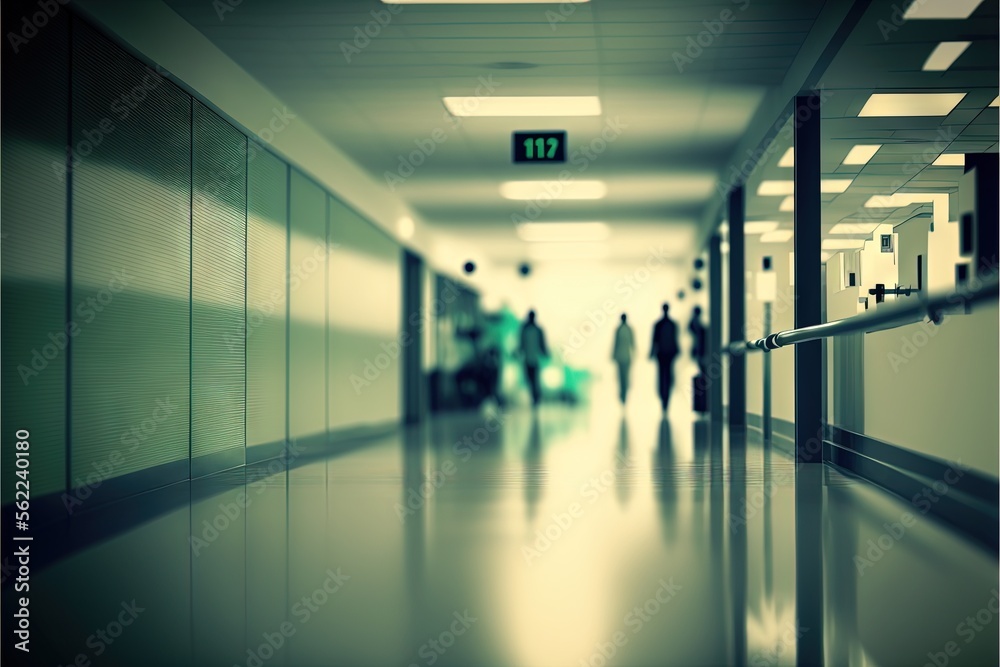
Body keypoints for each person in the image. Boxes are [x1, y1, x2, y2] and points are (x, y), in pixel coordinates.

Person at [650, 303, 679, 415]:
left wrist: (652, 352)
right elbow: (674, 339)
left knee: (662, 376)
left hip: (662, 354)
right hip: (668, 353)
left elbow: (654, 340)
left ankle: (664, 398)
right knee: (668, 376)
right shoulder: (672, 324)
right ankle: (666, 398)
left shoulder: (659, 324)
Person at [519, 310, 548, 408]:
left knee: (534, 380)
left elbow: (542, 344)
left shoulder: (536, 330)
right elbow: (521, 343)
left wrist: (545, 352)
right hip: (528, 359)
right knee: (530, 380)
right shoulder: (526, 330)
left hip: (534, 360)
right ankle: (535, 397)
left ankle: (536, 397)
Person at [612, 313, 635, 405]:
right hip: (626, 357)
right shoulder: (629, 329)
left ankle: (623, 394)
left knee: (622, 377)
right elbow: (633, 344)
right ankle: (624, 394)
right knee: (625, 376)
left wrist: (614, 355)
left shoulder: (619, 330)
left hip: (621, 357)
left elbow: (615, 344)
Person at [688, 306, 708, 376]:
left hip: (699, 346)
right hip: (699, 346)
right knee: (701, 363)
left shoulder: (695, 322)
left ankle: (703, 375)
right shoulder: (695, 322)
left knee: (701, 363)